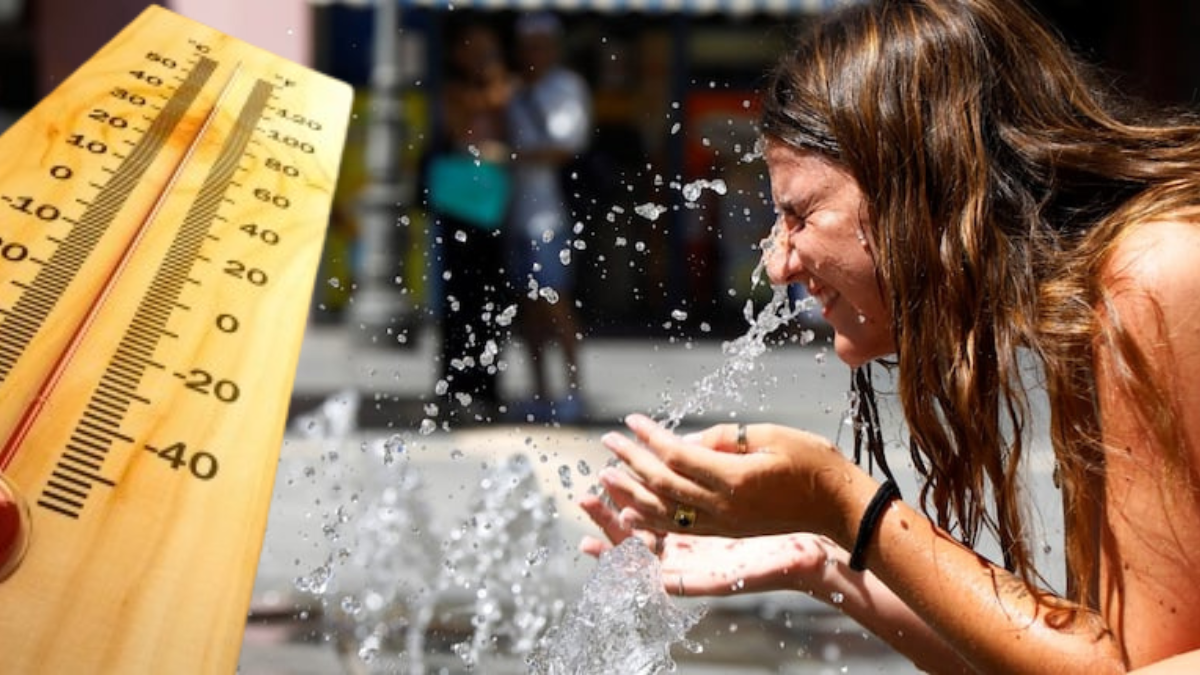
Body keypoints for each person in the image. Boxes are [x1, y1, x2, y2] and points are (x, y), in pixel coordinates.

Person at [579, 0, 1200, 672]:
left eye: (799, 215)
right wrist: (825, 559)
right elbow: (1111, 659)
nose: (776, 261)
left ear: (917, 185)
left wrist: (845, 504)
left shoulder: (1156, 274)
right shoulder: (1104, 296)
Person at [424, 20, 515, 424]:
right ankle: (456, 381)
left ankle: (487, 382)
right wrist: (494, 81)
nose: (484, 61)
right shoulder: (455, 89)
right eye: (477, 52)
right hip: (463, 204)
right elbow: (464, 123)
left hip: (491, 204)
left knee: (492, 294)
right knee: (459, 293)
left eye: (490, 53)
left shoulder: (500, 91)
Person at [505, 12, 593, 424]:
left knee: (555, 300)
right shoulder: (513, 89)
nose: (533, 53)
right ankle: (541, 391)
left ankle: (574, 390)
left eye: (540, 44)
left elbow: (566, 145)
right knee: (529, 307)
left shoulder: (565, 88)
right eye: (527, 45)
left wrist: (510, 156)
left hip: (551, 214)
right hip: (515, 213)